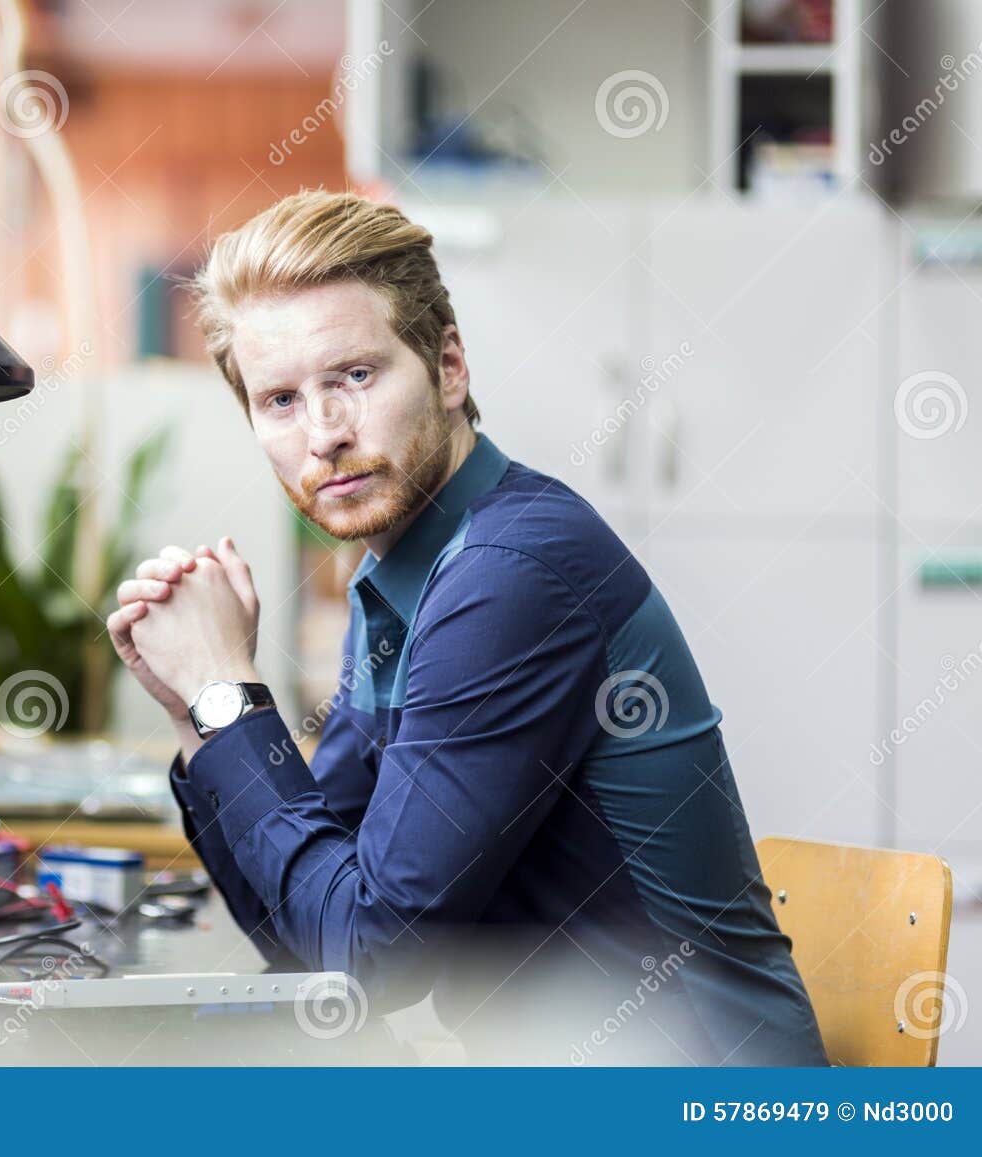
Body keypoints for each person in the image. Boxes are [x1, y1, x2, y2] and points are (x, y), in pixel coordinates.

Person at [104, 190, 827, 1066]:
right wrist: (196, 712)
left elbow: (372, 957)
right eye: (282, 399)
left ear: (448, 368)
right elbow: (308, 935)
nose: (325, 434)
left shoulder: (510, 576)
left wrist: (230, 691)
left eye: (356, 376)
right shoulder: (401, 579)